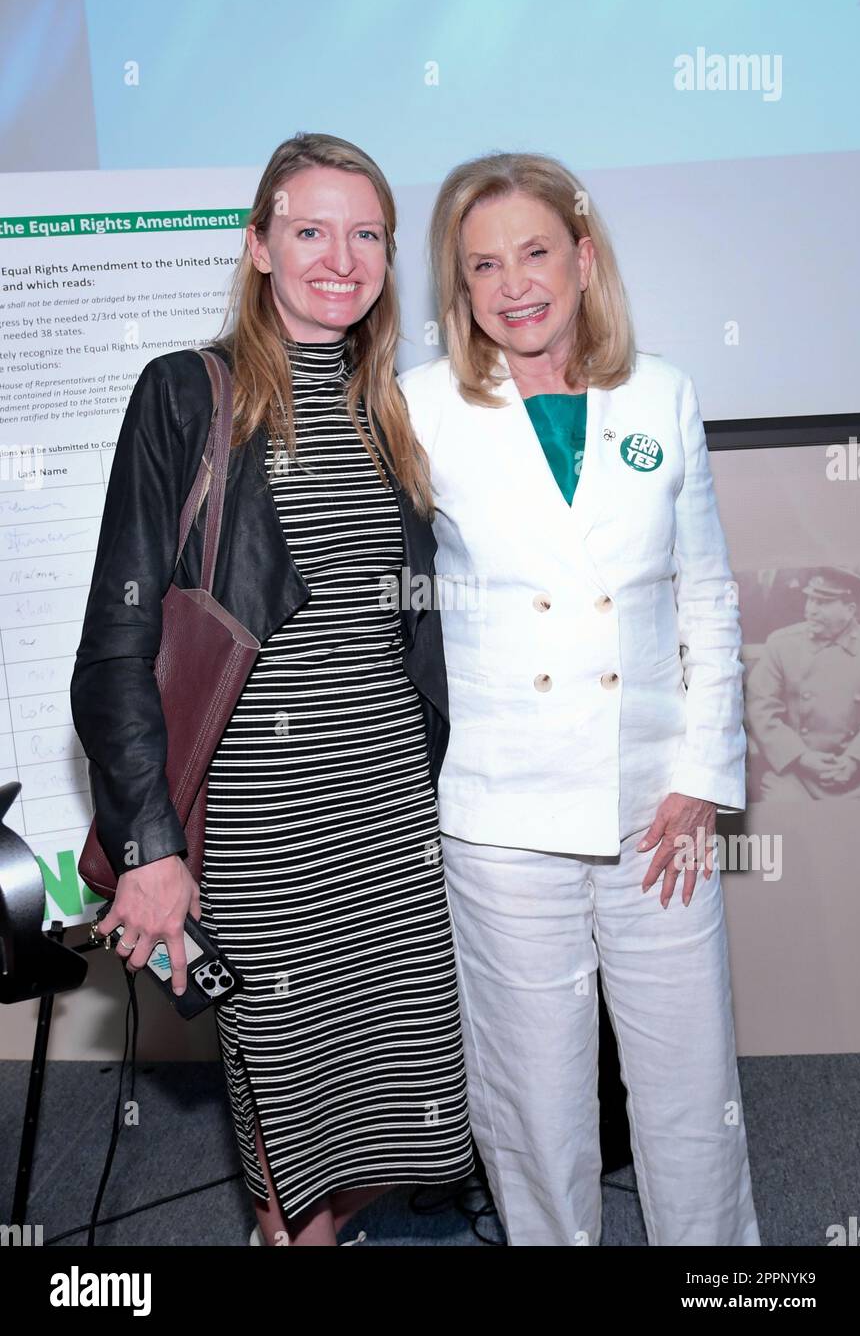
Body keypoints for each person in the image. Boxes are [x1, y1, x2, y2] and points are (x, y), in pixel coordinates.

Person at [70, 132, 473, 1247]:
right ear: (257, 245)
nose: (338, 258)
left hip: (391, 812)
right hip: (265, 824)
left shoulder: (392, 408)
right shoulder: (187, 396)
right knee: (288, 1120)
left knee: (390, 1107)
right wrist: (149, 846)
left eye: (365, 236)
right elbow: (116, 639)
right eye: (308, 231)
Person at [398, 151, 761, 1246]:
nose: (513, 283)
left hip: (657, 808)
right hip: (503, 818)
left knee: (688, 1082)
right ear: (458, 292)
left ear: (583, 258)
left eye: (534, 252)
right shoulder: (418, 407)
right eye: (481, 265)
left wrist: (701, 776)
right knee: (531, 1101)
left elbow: (705, 593)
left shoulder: (663, 392)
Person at [747, 567, 860, 799]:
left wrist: (854, 759)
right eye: (810, 599)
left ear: (850, 609)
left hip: (859, 773)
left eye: (822, 602)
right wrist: (802, 757)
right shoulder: (782, 645)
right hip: (794, 772)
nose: (811, 610)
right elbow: (759, 708)